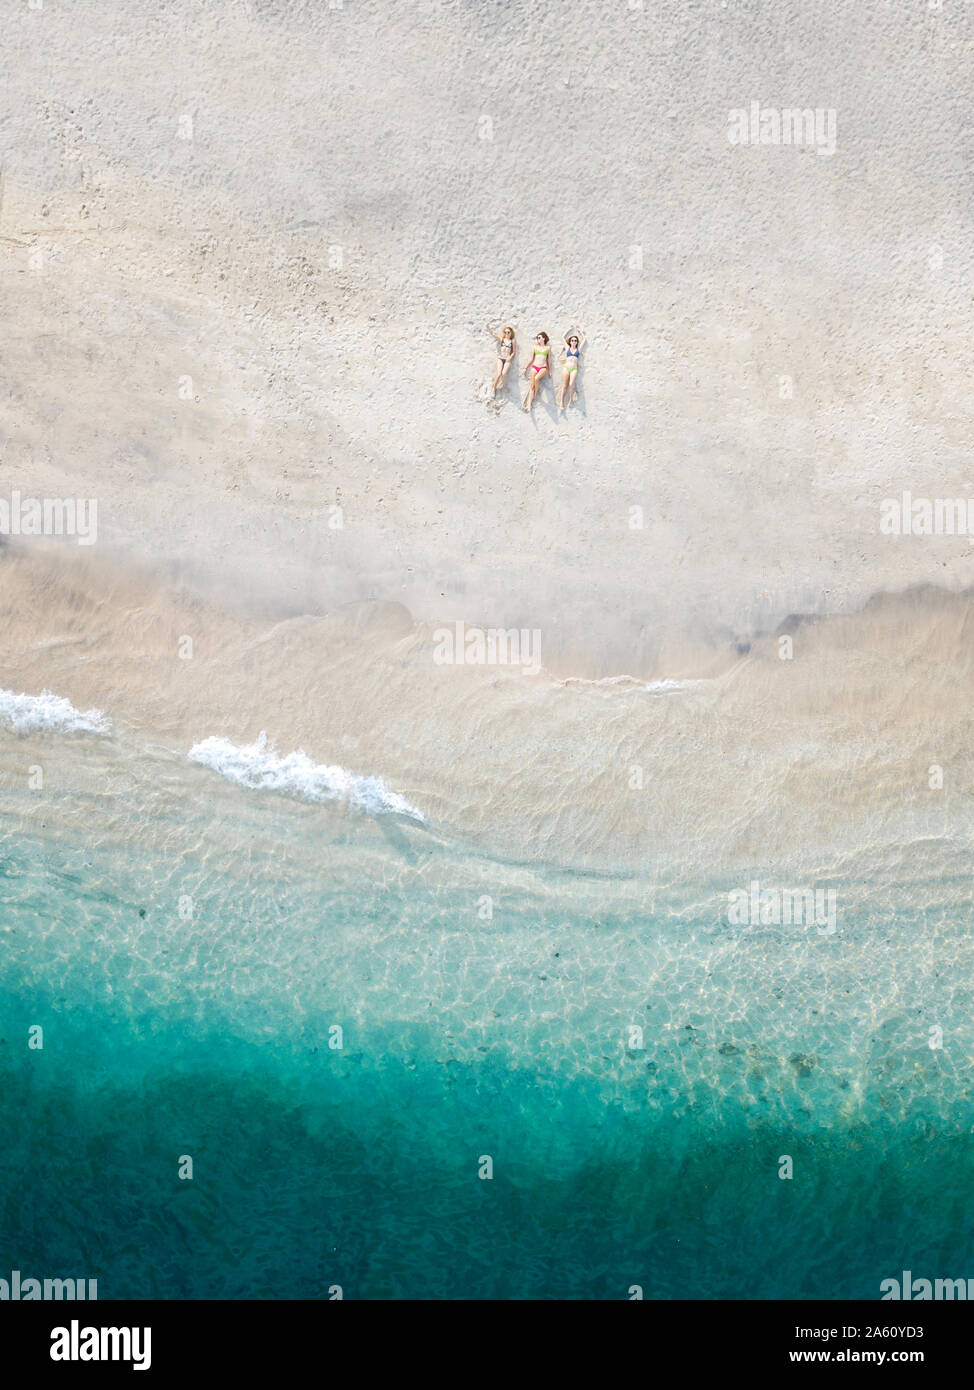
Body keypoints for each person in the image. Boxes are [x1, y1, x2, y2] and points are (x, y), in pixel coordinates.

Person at [558, 327, 586, 410]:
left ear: (577, 342)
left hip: (574, 369)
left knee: (571, 384)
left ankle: (570, 399)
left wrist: (580, 331)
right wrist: (569, 329)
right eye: (572, 340)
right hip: (566, 367)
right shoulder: (567, 348)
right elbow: (562, 337)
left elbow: (584, 339)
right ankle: (561, 402)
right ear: (570, 342)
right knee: (564, 385)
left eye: (575, 340)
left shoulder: (578, 349)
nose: (574, 342)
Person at [486, 322, 517, 398]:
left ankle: (502, 385)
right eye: (505, 332)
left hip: (507, 359)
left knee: (504, 373)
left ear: (511, 333)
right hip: (500, 358)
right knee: (499, 373)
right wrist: (488, 327)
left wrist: (510, 357)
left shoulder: (512, 341)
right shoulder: (502, 339)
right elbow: (493, 335)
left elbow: (514, 352)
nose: (507, 333)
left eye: (508, 332)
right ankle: (493, 388)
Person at [523, 332, 551, 412]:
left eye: (539, 337)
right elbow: (531, 359)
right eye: (537, 338)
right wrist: (525, 368)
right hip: (534, 366)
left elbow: (549, 360)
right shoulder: (535, 347)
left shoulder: (548, 348)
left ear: (544, 338)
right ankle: (529, 405)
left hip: (543, 367)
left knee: (536, 378)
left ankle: (535, 394)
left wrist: (550, 371)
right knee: (532, 385)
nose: (538, 339)